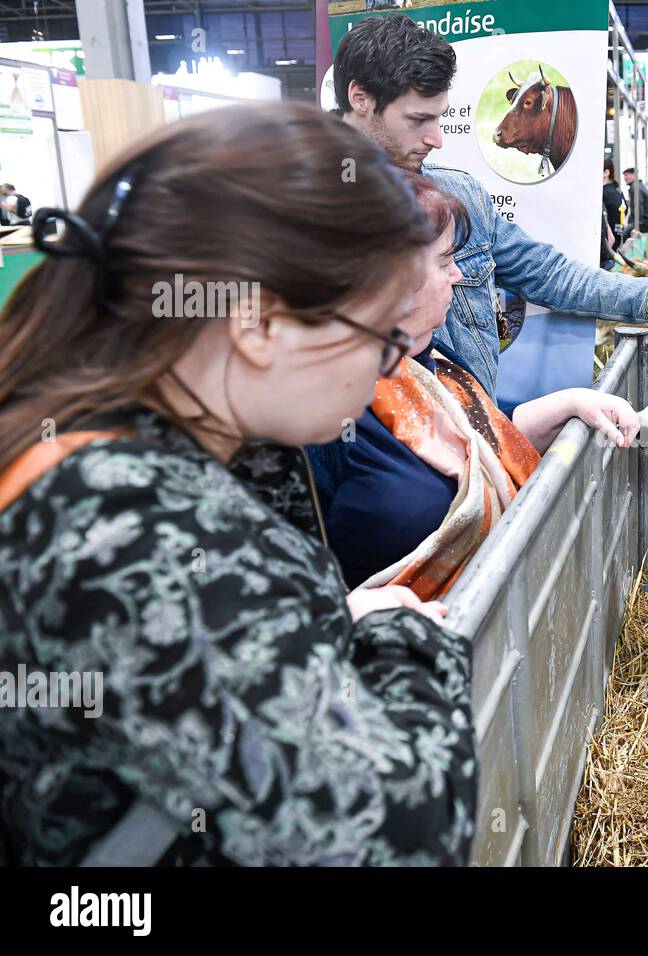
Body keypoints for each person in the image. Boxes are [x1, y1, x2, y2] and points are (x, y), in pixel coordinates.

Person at [0, 103, 478, 866]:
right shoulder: (131, 523)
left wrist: (311, 626)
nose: (391, 371)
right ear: (255, 324)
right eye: (383, 335)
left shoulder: (111, 435)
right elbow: (402, 834)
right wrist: (402, 641)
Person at [329, 14, 648, 402]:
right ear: (360, 99)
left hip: (475, 441)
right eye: (419, 119)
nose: (436, 138)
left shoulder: (457, 195)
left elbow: (547, 273)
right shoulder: (298, 220)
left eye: (439, 119)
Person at [319, 174, 640, 591]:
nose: (457, 275)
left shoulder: (435, 363)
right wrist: (344, 615)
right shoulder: (320, 410)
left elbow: (478, 440)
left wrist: (571, 403)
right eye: (444, 260)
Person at [603, 158, 627, 246]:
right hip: (618, 243)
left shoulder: (604, 193)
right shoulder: (619, 193)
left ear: (606, 173)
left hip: (608, 246)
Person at [623, 167, 648, 234]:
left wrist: (637, 227)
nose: (624, 178)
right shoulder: (639, 186)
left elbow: (638, 207)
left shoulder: (635, 187)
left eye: (626, 175)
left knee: (622, 238)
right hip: (645, 222)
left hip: (642, 224)